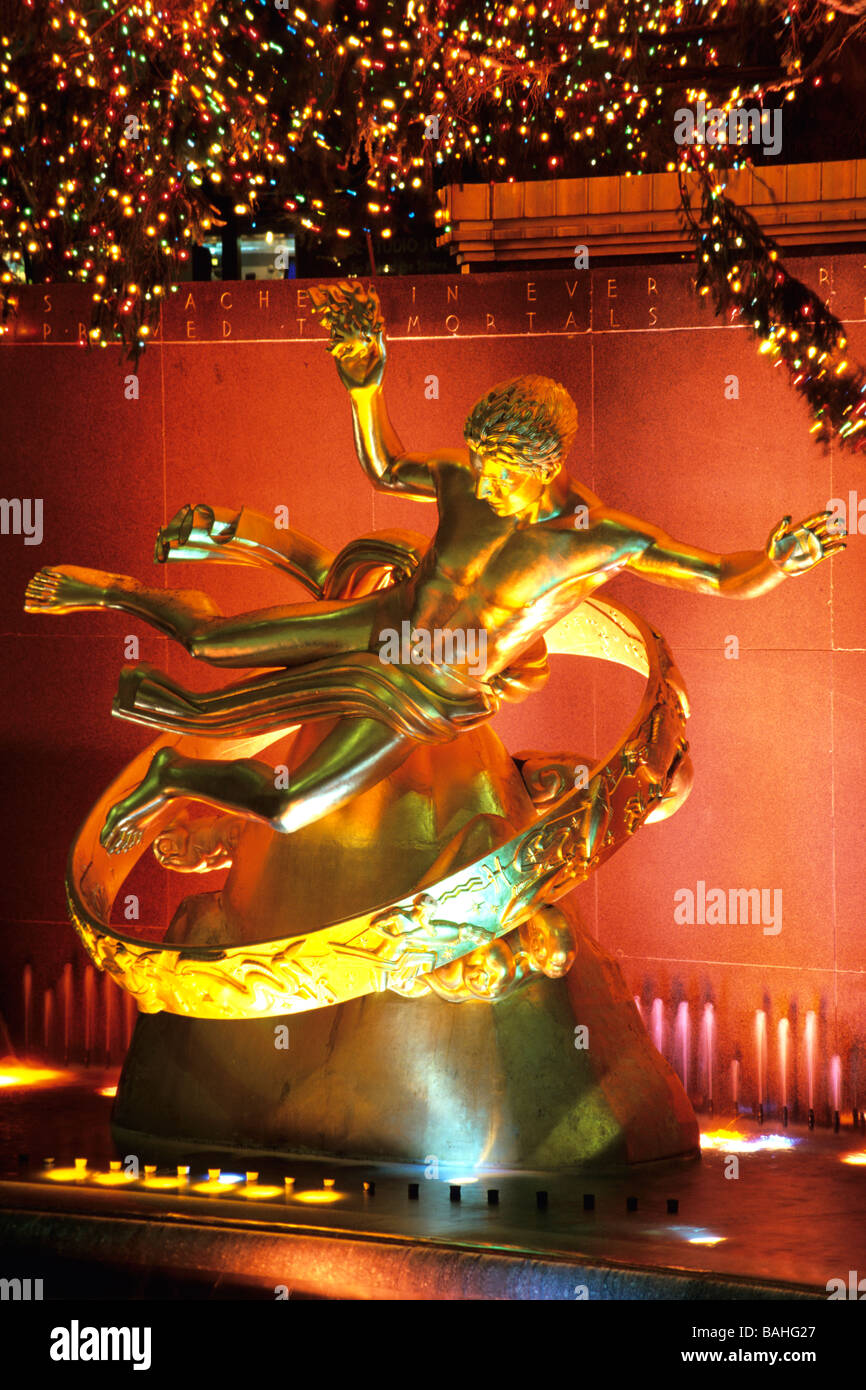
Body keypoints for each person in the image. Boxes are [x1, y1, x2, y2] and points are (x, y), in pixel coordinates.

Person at [25, 281, 845, 853]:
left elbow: (712, 575)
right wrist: (365, 387)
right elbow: (386, 469)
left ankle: (170, 773)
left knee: (285, 807)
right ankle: (118, 590)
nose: (482, 482)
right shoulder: (462, 478)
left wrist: (776, 561)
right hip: (384, 622)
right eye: (480, 463)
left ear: (549, 465)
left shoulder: (600, 540)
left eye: (502, 473)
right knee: (211, 642)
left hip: (434, 687)